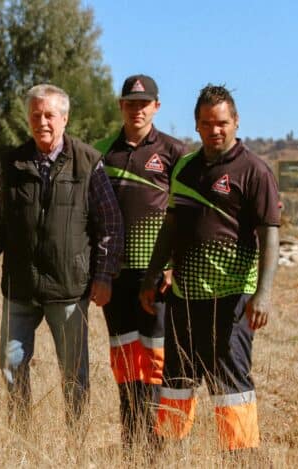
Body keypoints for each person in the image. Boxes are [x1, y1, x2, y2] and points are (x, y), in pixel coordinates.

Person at [139, 85, 280, 453]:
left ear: (235, 122)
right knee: (177, 378)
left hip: (232, 295)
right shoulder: (185, 167)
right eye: (207, 124)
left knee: (229, 383)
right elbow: (169, 227)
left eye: (222, 123)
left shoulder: (254, 171)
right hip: (185, 295)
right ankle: (170, 452)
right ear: (197, 126)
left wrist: (262, 294)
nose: (215, 130)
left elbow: (270, 236)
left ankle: (241, 458)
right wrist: (154, 273)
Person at [0, 84, 124, 429]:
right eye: (35, 115)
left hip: (69, 288)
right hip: (20, 287)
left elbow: (110, 224)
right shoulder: (11, 163)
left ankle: (76, 442)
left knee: (74, 374)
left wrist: (103, 275)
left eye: (49, 115)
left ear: (64, 118)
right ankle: (21, 437)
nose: (42, 121)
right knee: (10, 363)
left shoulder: (88, 162)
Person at [93, 75, 186, 447]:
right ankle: (132, 439)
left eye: (145, 103)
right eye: (131, 103)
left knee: (156, 360)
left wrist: (170, 265)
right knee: (125, 361)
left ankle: (159, 442)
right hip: (115, 276)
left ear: (157, 107)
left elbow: (187, 214)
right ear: (121, 106)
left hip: (156, 279)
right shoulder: (101, 151)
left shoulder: (174, 152)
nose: (138, 109)